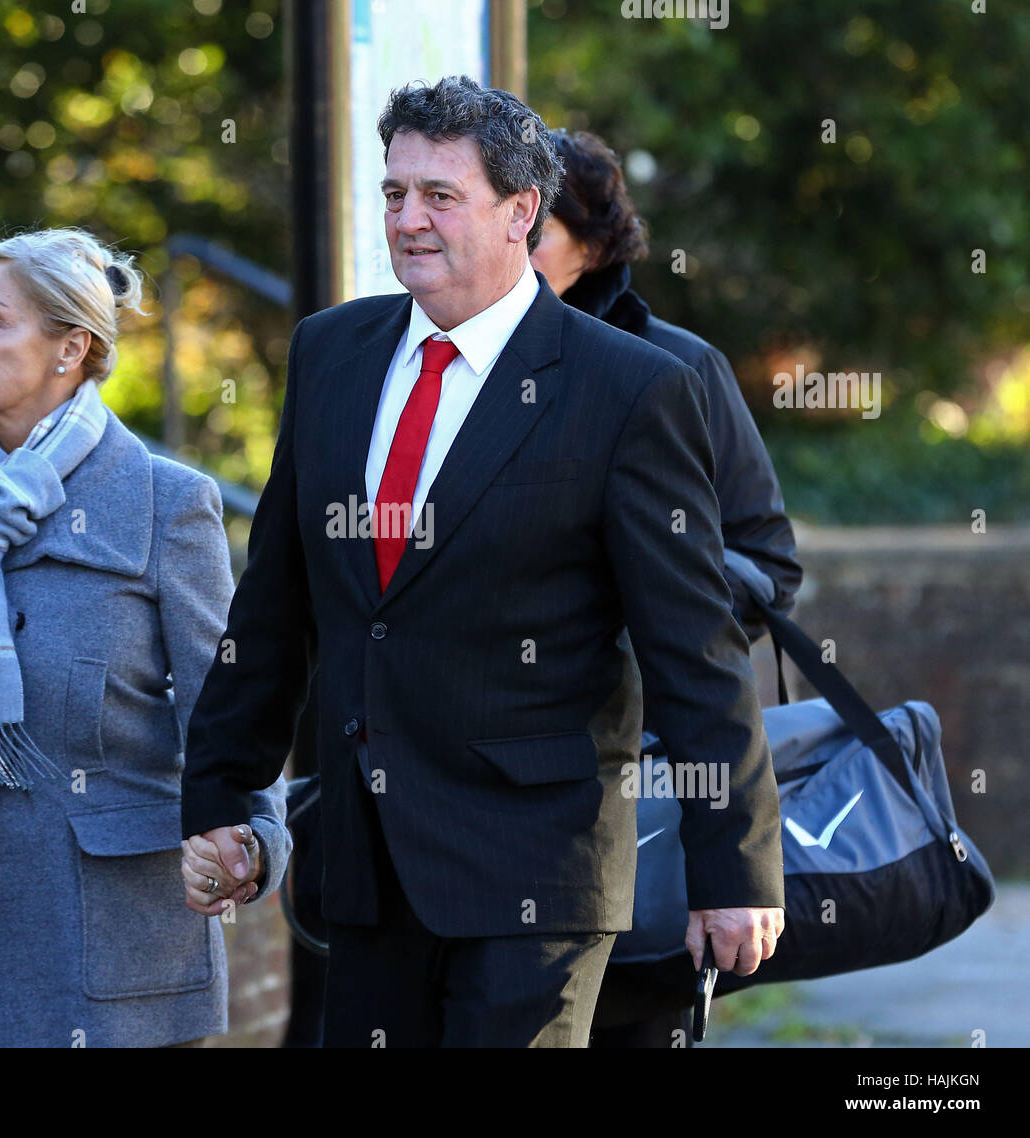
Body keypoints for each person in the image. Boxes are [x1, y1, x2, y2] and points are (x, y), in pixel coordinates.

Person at [180, 76, 785, 1048]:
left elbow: (694, 647)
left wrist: (735, 873)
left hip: (535, 872)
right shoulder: (330, 353)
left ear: (520, 211)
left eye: (438, 195)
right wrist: (218, 792)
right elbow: (276, 601)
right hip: (366, 863)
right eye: (393, 193)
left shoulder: (627, 388)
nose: (408, 219)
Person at [0, 227, 289, 1047]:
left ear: (71, 348)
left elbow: (231, 714)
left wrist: (249, 840)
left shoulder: (164, 502)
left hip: (106, 958)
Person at [529, 129, 803, 1047]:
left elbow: (769, 558)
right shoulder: (441, 367)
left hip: (647, 763)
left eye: (538, 228)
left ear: (595, 244)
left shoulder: (680, 368)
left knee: (634, 1015)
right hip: (486, 790)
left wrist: (655, 597)